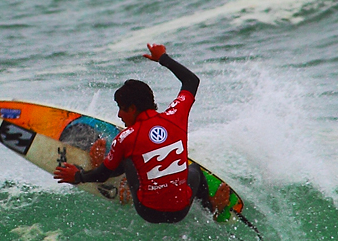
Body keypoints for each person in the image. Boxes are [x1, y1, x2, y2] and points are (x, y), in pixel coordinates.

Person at [54, 43, 230, 223]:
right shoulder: (176, 115)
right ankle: (211, 206)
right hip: (181, 211)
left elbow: (103, 174)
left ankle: (114, 174)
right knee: (195, 170)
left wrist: (78, 176)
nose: (119, 114)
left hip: (148, 212)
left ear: (133, 108)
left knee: (125, 159)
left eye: (122, 108)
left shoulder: (125, 138)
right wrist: (163, 58)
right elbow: (192, 81)